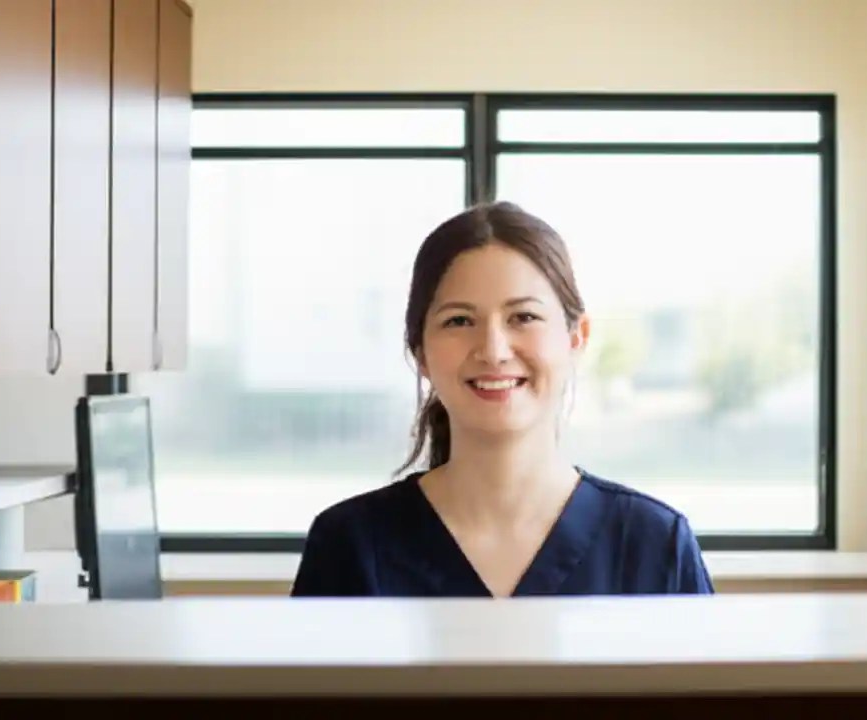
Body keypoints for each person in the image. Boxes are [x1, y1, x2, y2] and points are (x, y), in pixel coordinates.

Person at [290, 201, 714, 597]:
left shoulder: (655, 544)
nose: (493, 350)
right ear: (420, 351)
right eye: (459, 321)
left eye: (523, 318)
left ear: (575, 338)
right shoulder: (350, 545)